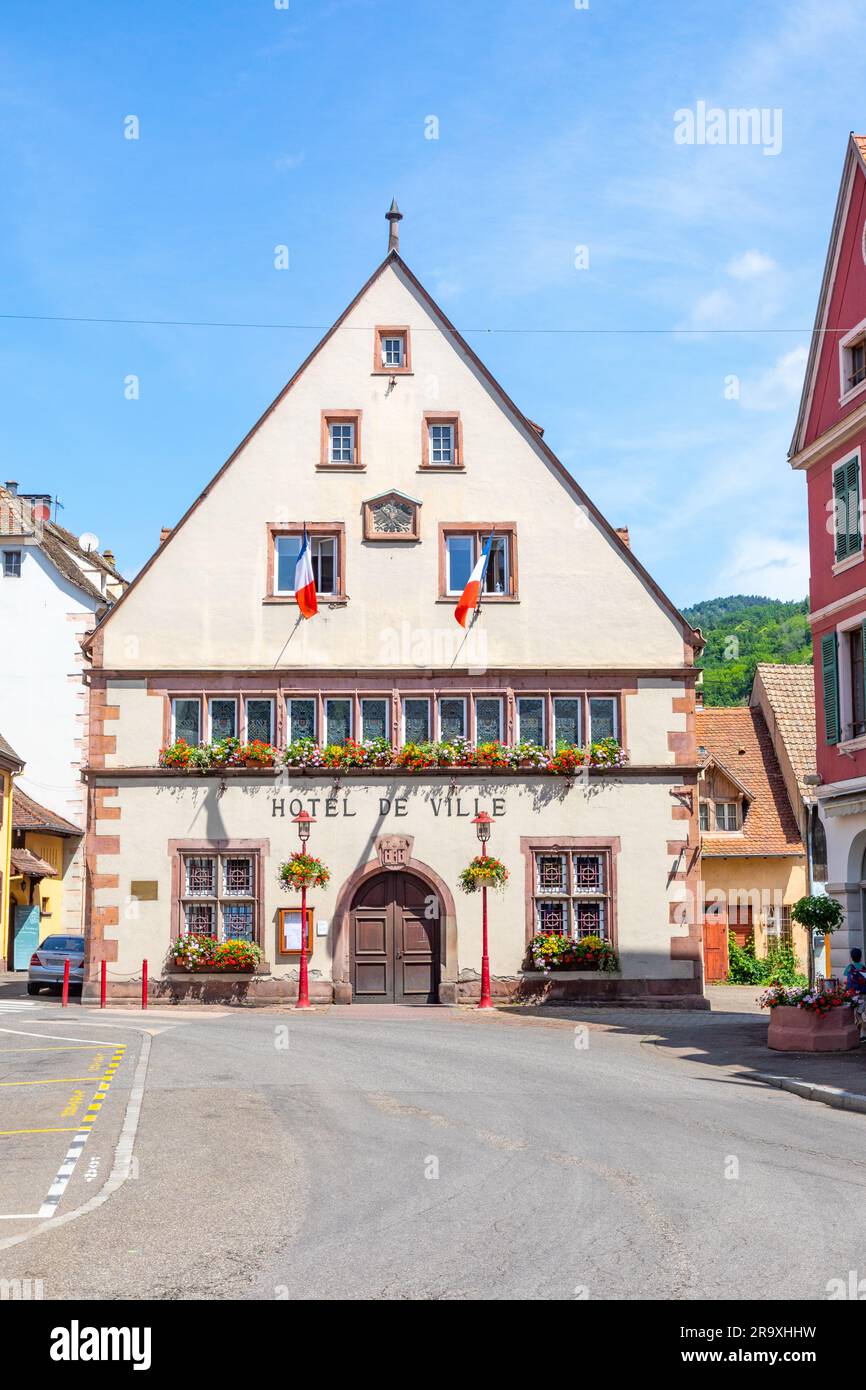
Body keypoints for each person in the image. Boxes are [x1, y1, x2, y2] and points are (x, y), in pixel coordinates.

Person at [844, 949, 866, 1037]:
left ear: (851, 957)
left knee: (856, 1014)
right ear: (861, 957)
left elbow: (847, 981)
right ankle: (860, 1034)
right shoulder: (863, 967)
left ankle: (863, 1034)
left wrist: (845, 991)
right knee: (859, 1013)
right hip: (864, 993)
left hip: (854, 994)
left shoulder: (850, 967)